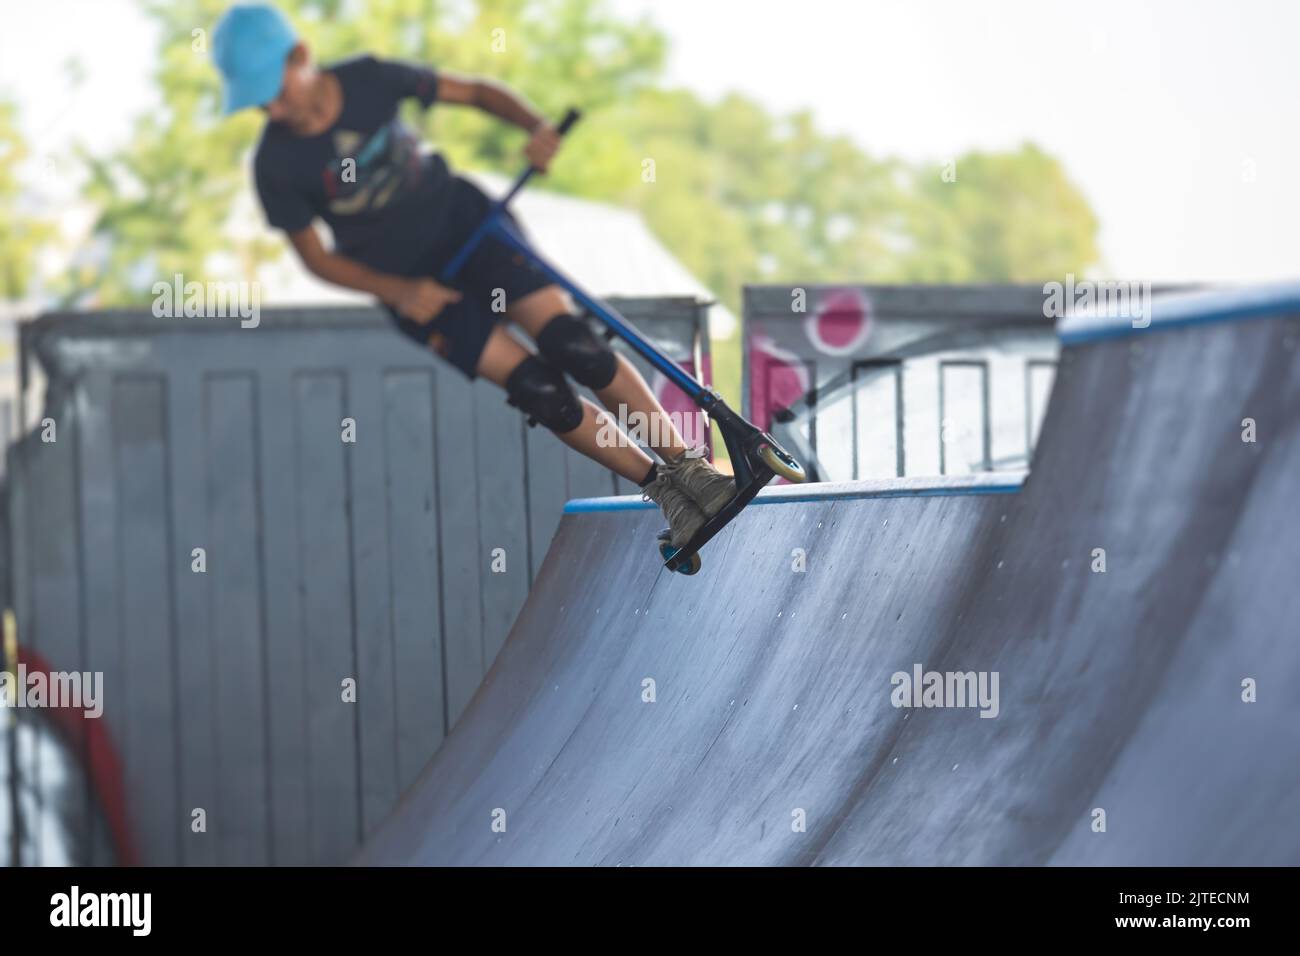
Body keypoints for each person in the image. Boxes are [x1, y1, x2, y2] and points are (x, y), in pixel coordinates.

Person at [211, 2, 734, 548]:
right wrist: (400, 291)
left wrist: (535, 127)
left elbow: (479, 94)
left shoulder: (368, 78)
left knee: (572, 345)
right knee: (539, 391)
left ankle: (689, 467)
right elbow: (316, 258)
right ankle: (666, 492)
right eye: (258, 102)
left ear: (301, 56)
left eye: (274, 90)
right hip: (415, 288)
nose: (271, 109)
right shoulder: (274, 165)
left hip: (472, 232)